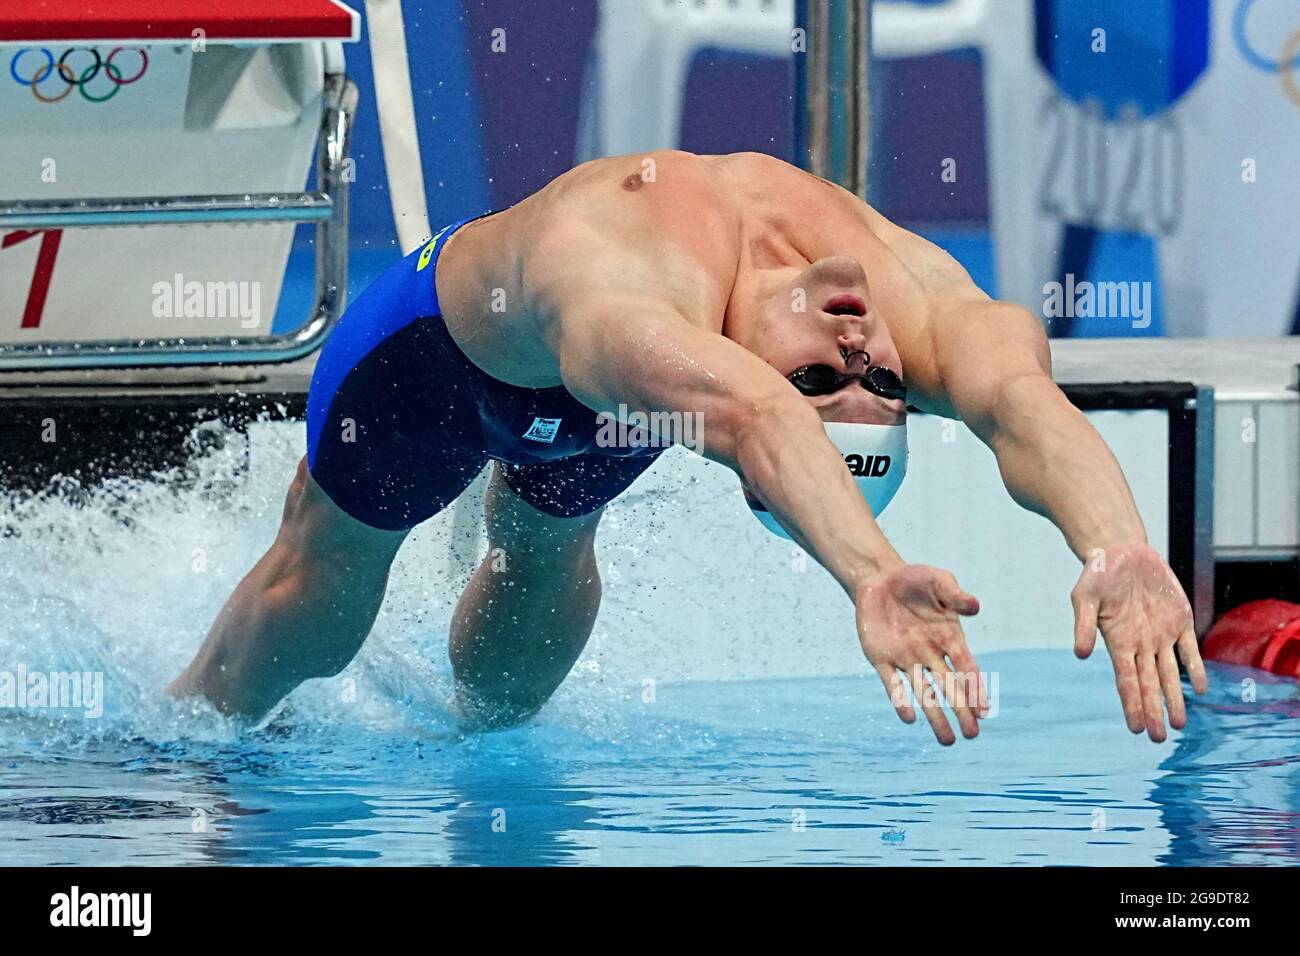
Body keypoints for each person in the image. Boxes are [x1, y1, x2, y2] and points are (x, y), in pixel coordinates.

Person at [168, 150, 1208, 744]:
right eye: (873, 382)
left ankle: (466, 759)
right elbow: (781, 411)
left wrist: (1104, 546)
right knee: (325, 588)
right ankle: (185, 743)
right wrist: (887, 573)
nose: (859, 349)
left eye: (834, 379)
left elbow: (780, 410)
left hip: (639, 391)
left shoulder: (720, 370)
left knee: (535, 593)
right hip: (431, 366)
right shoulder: (674, 282)